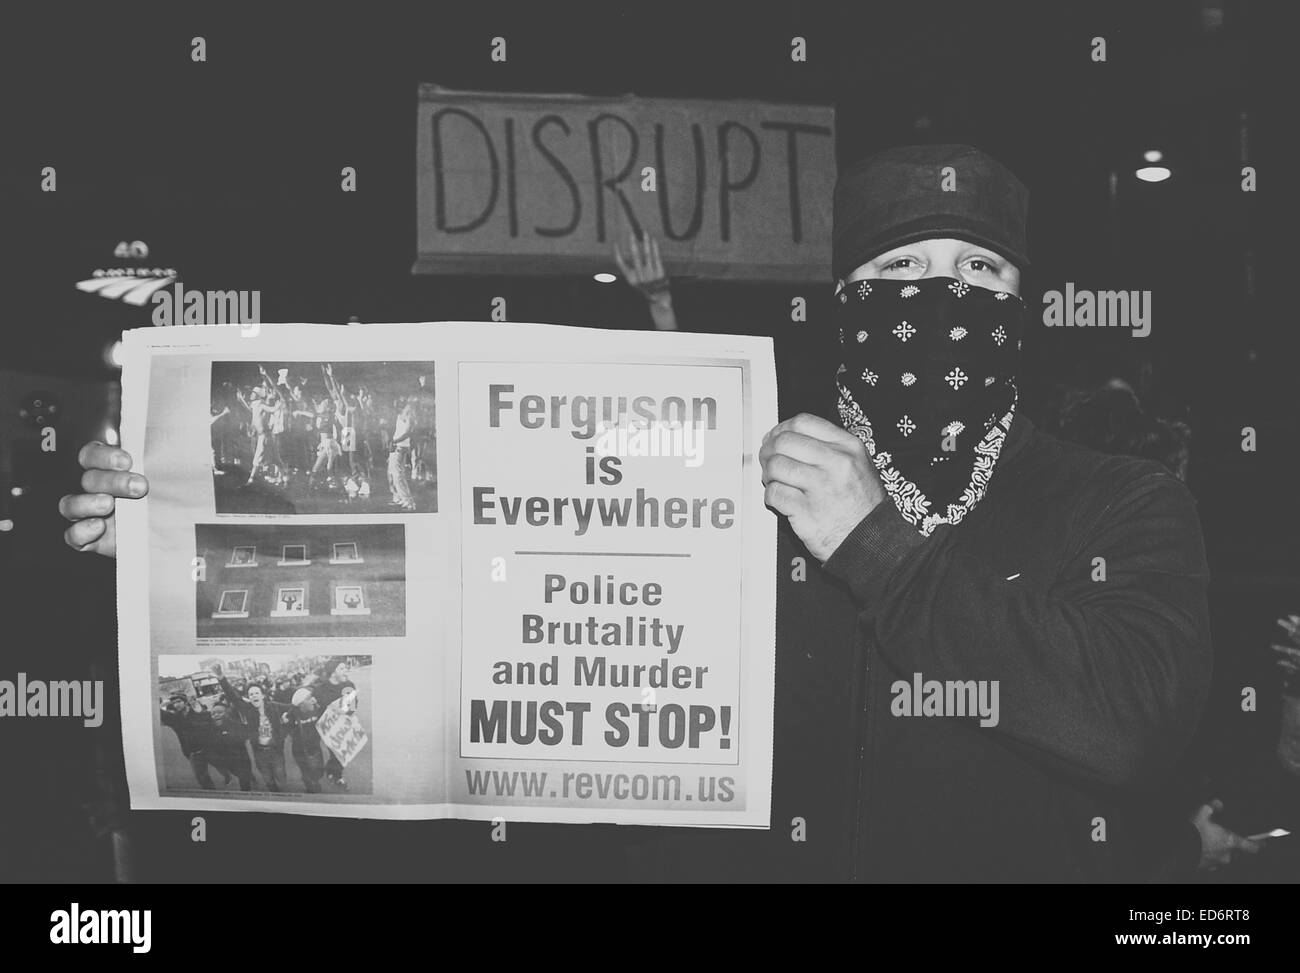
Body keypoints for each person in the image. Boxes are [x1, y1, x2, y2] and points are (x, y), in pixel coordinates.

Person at [744, 143, 1214, 881]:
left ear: (1020, 307)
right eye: (901, 266)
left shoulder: (1123, 499)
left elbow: (1134, 728)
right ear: (844, 301)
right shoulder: (753, 500)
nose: (943, 295)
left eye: (979, 268)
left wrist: (877, 547)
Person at [213, 664, 292, 792]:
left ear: (263, 695)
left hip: (276, 751)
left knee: (282, 779)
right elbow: (233, 696)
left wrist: (285, 720)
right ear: (249, 698)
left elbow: (291, 707)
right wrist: (221, 677)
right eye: (251, 694)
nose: (254, 696)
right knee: (268, 781)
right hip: (259, 753)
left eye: (256, 693)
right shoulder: (248, 710)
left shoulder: (274, 707)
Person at [282, 688, 326, 793]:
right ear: (301, 704)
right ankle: (310, 785)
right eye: (309, 698)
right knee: (307, 771)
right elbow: (284, 731)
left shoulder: (317, 708)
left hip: (315, 747)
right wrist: (285, 723)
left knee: (319, 770)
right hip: (300, 750)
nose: (313, 700)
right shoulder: (291, 714)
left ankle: (313, 780)